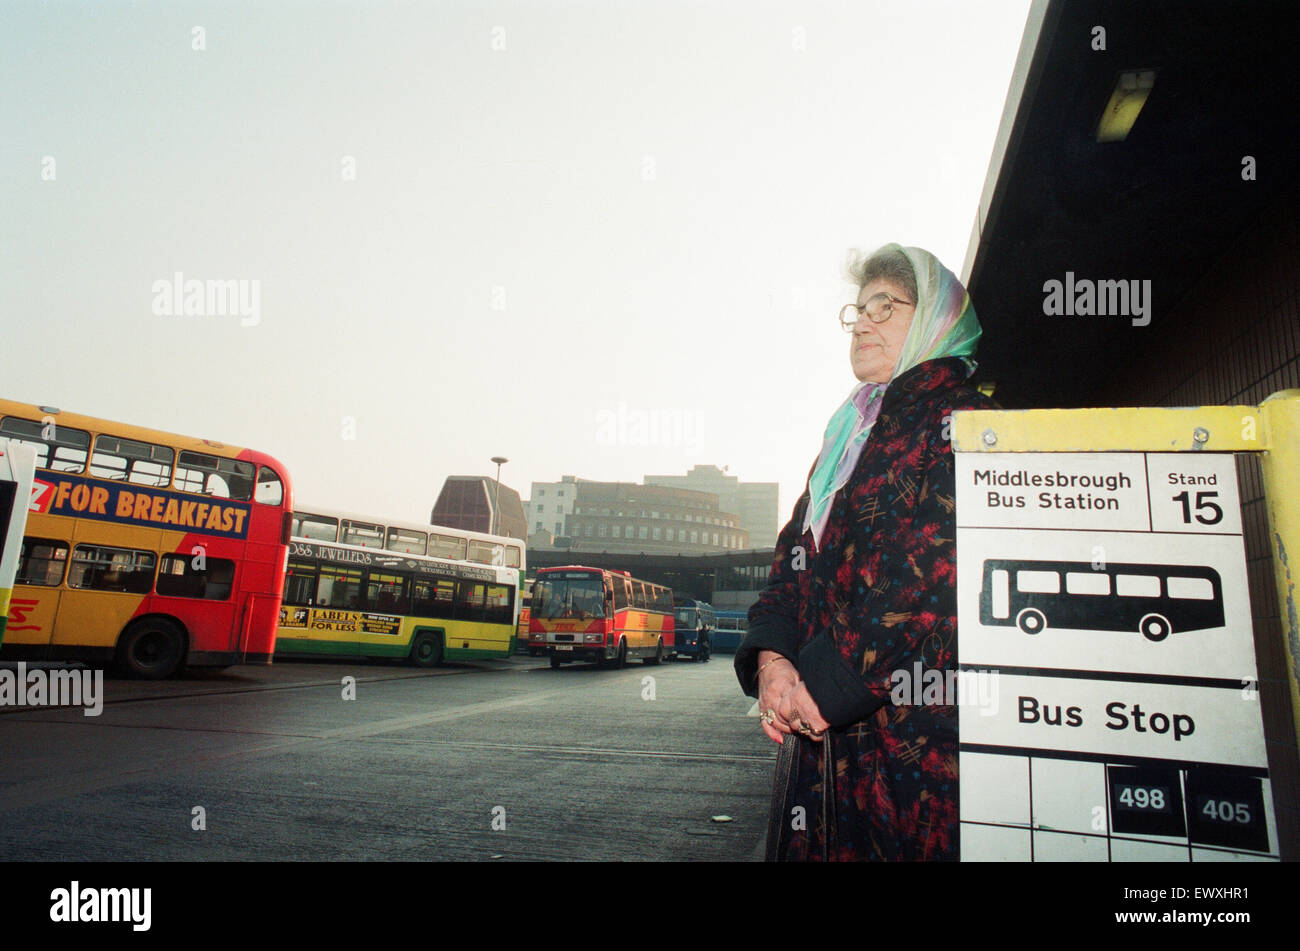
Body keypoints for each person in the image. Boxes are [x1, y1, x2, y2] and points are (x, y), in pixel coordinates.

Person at [734, 243, 995, 861]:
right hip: (824, 746)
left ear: (936, 321)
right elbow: (790, 565)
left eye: (886, 306)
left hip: (915, 749)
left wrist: (824, 688)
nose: (864, 322)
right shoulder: (846, 436)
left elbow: (934, 585)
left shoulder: (966, 422)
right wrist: (773, 663)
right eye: (858, 309)